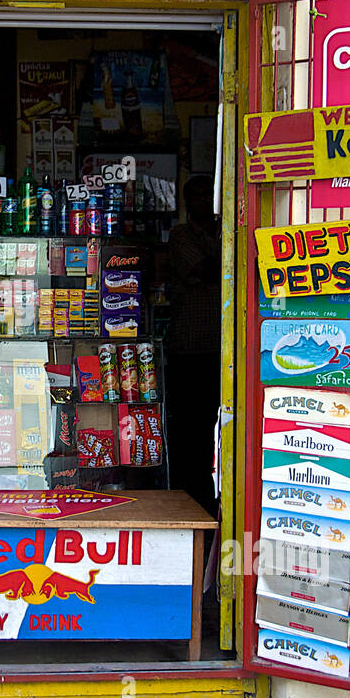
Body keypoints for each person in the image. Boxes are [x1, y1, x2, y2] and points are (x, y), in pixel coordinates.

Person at [164, 175, 222, 503]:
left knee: (219, 422)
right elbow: (210, 269)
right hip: (189, 349)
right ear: (188, 203)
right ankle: (190, 495)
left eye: (207, 197)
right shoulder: (181, 235)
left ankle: (215, 494)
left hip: (222, 347)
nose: (203, 202)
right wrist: (220, 260)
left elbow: (219, 268)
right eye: (196, 197)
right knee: (191, 429)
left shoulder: (223, 233)